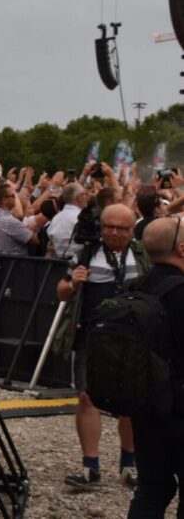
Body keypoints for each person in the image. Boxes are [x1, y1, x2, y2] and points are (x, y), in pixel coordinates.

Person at [56, 204, 148, 489]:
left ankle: (129, 463)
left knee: (132, 400)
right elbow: (61, 292)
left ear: (132, 230)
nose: (114, 233)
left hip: (134, 336)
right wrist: (73, 283)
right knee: (86, 397)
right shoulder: (85, 254)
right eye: (109, 227)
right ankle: (90, 466)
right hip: (92, 334)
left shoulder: (144, 254)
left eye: (121, 228)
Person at [126, 217, 184, 517]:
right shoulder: (181, 292)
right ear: (182, 249)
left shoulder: (133, 288)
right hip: (179, 406)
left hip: (145, 406)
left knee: (152, 488)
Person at [0, 183, 37, 256]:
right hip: (15, 262)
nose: (15, 198)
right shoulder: (9, 221)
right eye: (13, 195)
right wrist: (32, 230)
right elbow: (35, 242)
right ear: (4, 200)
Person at [48, 182, 89, 259]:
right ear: (79, 198)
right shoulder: (81, 218)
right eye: (85, 194)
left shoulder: (55, 218)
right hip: (79, 262)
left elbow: (49, 235)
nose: (87, 196)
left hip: (57, 261)